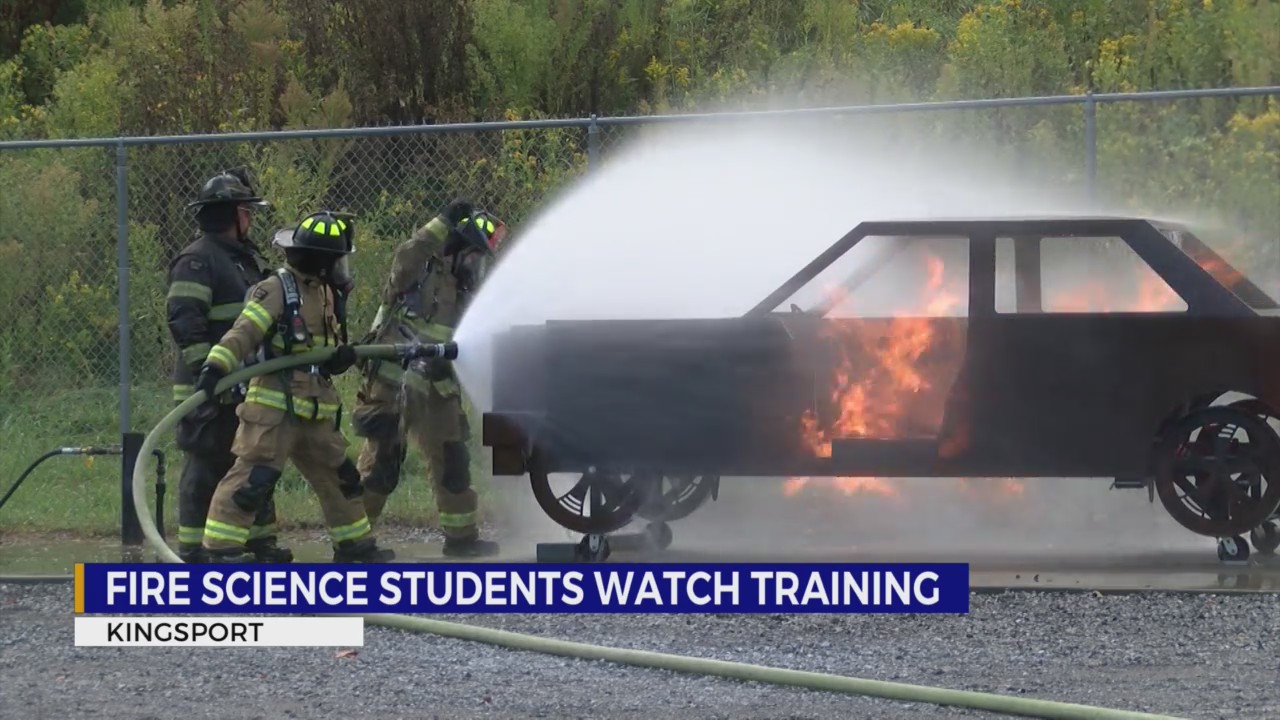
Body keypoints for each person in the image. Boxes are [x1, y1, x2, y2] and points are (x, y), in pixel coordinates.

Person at [193, 209, 394, 564]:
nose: (342, 269)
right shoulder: (275, 289)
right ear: (320, 262)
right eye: (337, 261)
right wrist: (215, 366)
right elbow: (243, 332)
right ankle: (221, 553)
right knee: (251, 481)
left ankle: (355, 547)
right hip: (275, 409)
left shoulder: (325, 293)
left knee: (341, 478)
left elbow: (323, 344)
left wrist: (336, 358)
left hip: (316, 409)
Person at [350, 199, 505, 558]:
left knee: (453, 461)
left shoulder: (468, 289)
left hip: (437, 386)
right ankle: (355, 543)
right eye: (473, 254)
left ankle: (462, 539)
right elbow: (409, 251)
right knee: (382, 465)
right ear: (456, 246)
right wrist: (441, 222)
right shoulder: (419, 269)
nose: (476, 263)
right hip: (393, 382)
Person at [166, 168, 291, 564]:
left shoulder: (242, 261)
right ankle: (193, 549)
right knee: (206, 465)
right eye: (247, 212)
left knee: (250, 463)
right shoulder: (198, 260)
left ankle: (258, 542)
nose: (251, 220)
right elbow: (185, 318)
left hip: (243, 384)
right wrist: (210, 373)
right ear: (235, 215)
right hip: (208, 386)